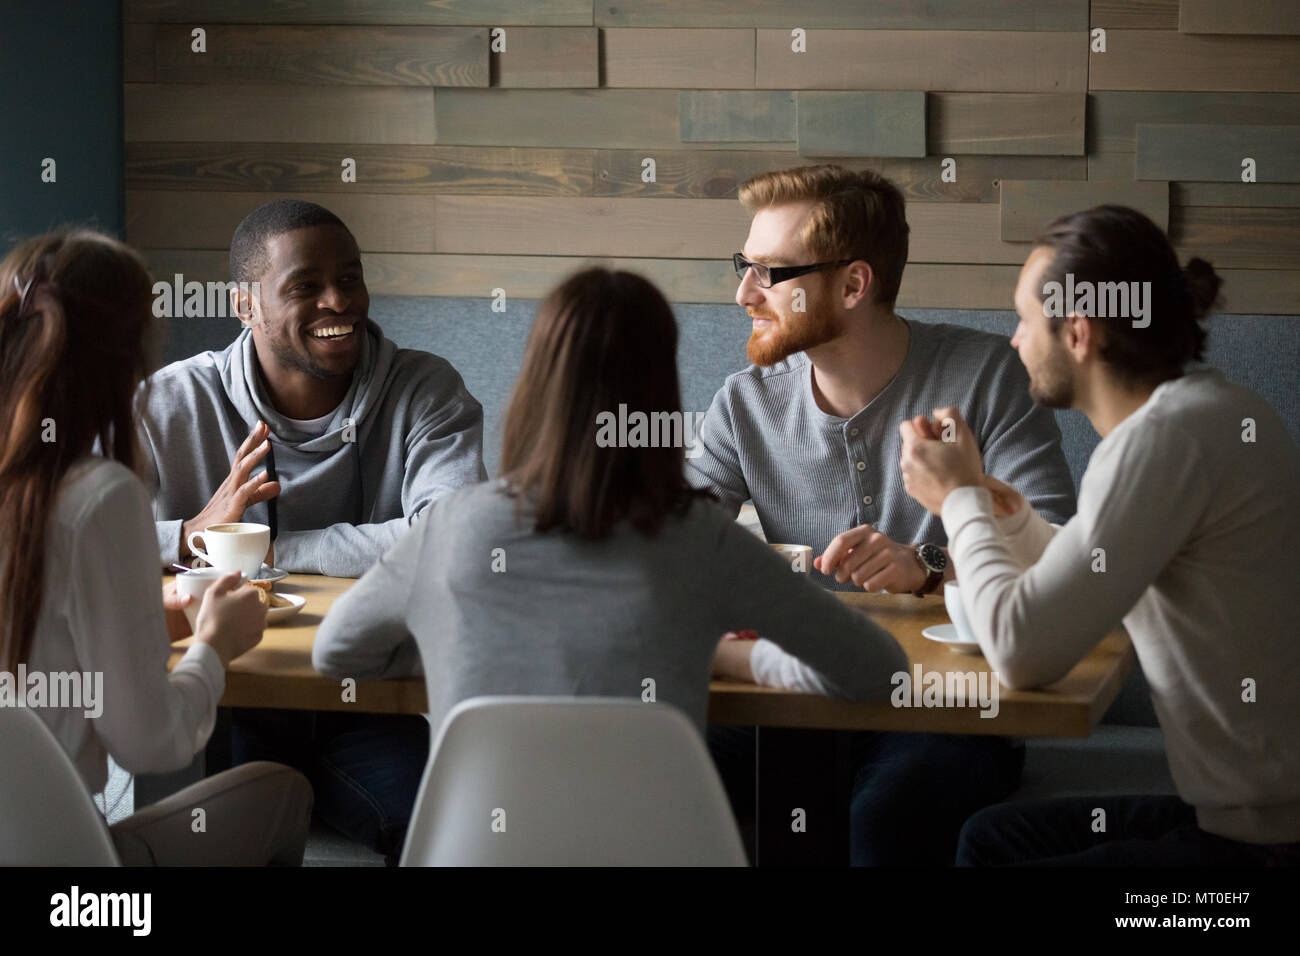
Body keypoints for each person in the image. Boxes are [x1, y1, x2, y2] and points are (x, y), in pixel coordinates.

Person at [312, 268, 910, 759]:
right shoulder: (701, 540)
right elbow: (879, 671)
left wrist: (459, 648)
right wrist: (737, 656)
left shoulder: (451, 528)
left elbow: (337, 653)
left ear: (534, 384)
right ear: (659, 396)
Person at [689, 164, 1078, 865]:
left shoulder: (986, 377)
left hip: (945, 705)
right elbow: (675, 549)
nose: (743, 292)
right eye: (743, 265)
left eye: (770, 272)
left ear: (853, 284)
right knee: (654, 768)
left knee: (886, 819)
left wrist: (925, 565)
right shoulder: (742, 403)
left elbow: (1059, 554)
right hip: (791, 691)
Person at [897, 205, 1300, 865]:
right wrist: (1010, 517)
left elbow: (1023, 653)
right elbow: (1091, 571)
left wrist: (960, 500)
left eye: (1026, 320)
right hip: (1244, 817)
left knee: (991, 852)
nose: (1015, 340)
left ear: (1078, 333)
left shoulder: (1165, 439)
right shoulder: (1209, 412)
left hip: (1263, 846)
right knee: (991, 839)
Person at [139, 199, 486, 864]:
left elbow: (456, 536)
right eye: (305, 286)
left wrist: (275, 550)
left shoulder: (424, 389)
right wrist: (188, 532)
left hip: (363, 703)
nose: (339, 301)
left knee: (443, 830)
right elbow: (70, 533)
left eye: (350, 278)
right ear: (244, 306)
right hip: (218, 700)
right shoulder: (168, 402)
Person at [0, 230, 312, 866]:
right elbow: (151, 744)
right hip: (70, 877)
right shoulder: (96, 496)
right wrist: (214, 644)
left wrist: (153, 614)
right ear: (131, 352)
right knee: (286, 792)